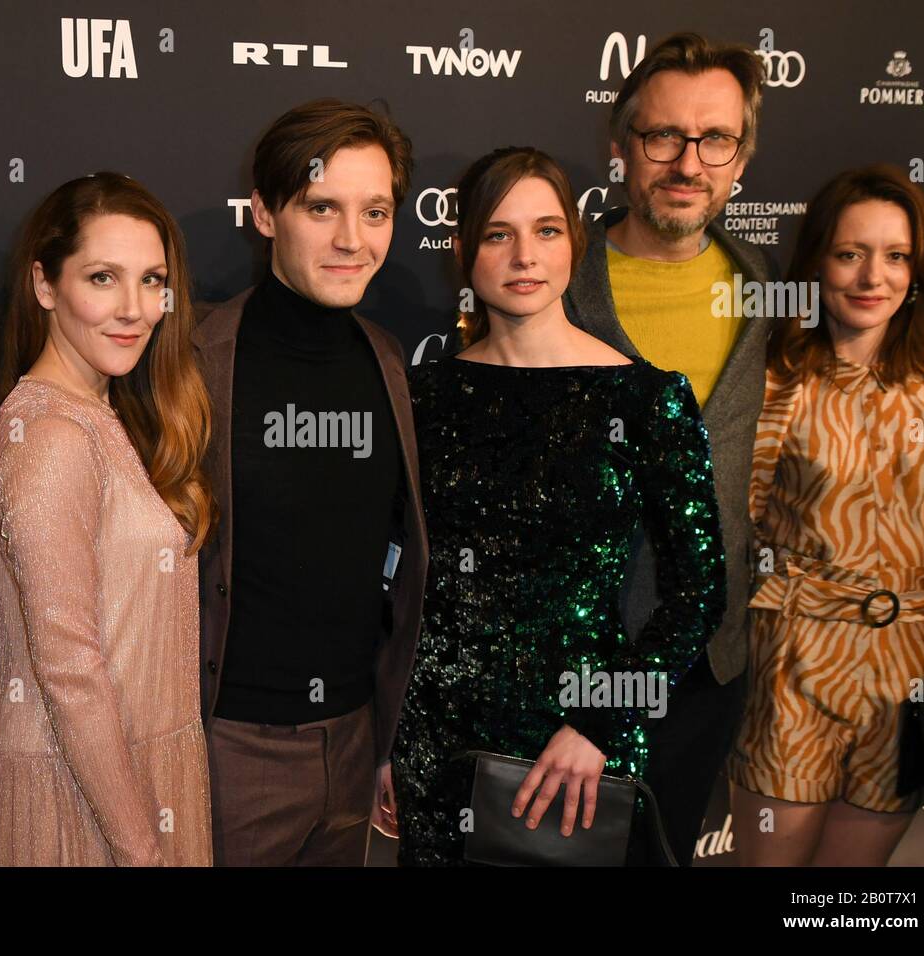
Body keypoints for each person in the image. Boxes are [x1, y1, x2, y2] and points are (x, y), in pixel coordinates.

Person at [393, 147, 726, 866]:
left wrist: (601, 722)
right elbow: (388, 581)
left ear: (574, 243)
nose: (524, 256)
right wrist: (381, 739)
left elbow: (699, 595)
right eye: (497, 234)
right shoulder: (418, 398)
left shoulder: (647, 399)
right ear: (463, 251)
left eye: (546, 230)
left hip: (581, 746)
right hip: (436, 734)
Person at [194, 98, 428, 865]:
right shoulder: (193, 361)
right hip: (231, 752)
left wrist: (385, 738)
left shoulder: (388, 360)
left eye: (375, 211)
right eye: (321, 207)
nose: (351, 240)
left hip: (357, 744)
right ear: (264, 213)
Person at [564, 31, 775, 863]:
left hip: (705, 670)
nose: (688, 162)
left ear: (741, 160)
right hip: (573, 664)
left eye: (715, 138)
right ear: (621, 149)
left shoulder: (763, 284)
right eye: (663, 136)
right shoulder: (557, 279)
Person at [0, 173, 215, 866]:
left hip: (134, 781)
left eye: (152, 280)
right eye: (103, 278)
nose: (134, 309)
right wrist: (142, 849)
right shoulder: (49, 438)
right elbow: (69, 669)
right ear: (45, 285)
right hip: (84, 806)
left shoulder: (107, 415)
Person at [729, 165, 924, 865]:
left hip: (908, 680)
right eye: (849, 253)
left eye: (895, 256)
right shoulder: (773, 381)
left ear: (918, 270)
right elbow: (730, 531)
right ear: (817, 264)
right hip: (791, 669)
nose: (873, 277)